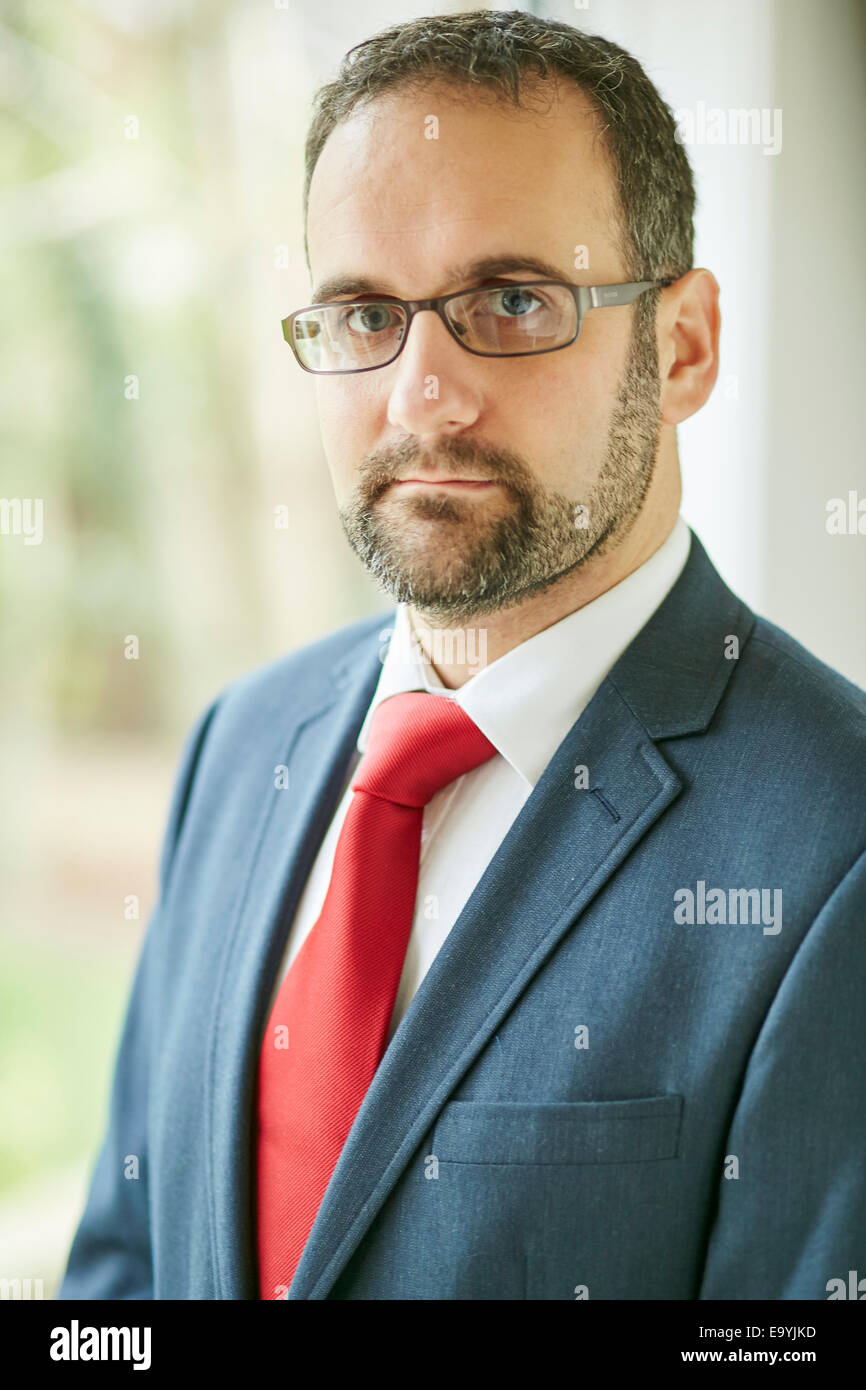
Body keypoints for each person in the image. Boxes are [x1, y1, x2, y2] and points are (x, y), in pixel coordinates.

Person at [59, 9, 866, 1301]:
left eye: (511, 300)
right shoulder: (240, 741)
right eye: (364, 311)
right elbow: (124, 1267)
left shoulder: (834, 841)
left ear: (681, 346)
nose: (420, 393)